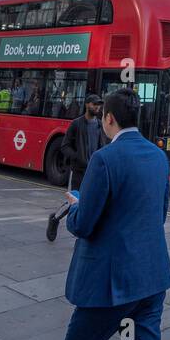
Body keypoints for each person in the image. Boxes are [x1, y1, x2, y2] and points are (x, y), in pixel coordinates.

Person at [49, 88, 170, 340]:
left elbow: (83, 225)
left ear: (108, 119)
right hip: (152, 281)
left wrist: (77, 206)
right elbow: (160, 215)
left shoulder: (105, 159)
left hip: (111, 287)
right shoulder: (158, 156)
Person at [47, 94, 110, 241]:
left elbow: (103, 146)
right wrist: (77, 157)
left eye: (99, 105)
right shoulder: (77, 124)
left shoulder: (100, 125)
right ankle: (55, 218)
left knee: (92, 201)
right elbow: (65, 146)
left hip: (93, 171)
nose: (97, 107)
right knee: (74, 201)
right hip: (78, 171)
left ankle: (84, 236)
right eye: (95, 104)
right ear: (87, 104)